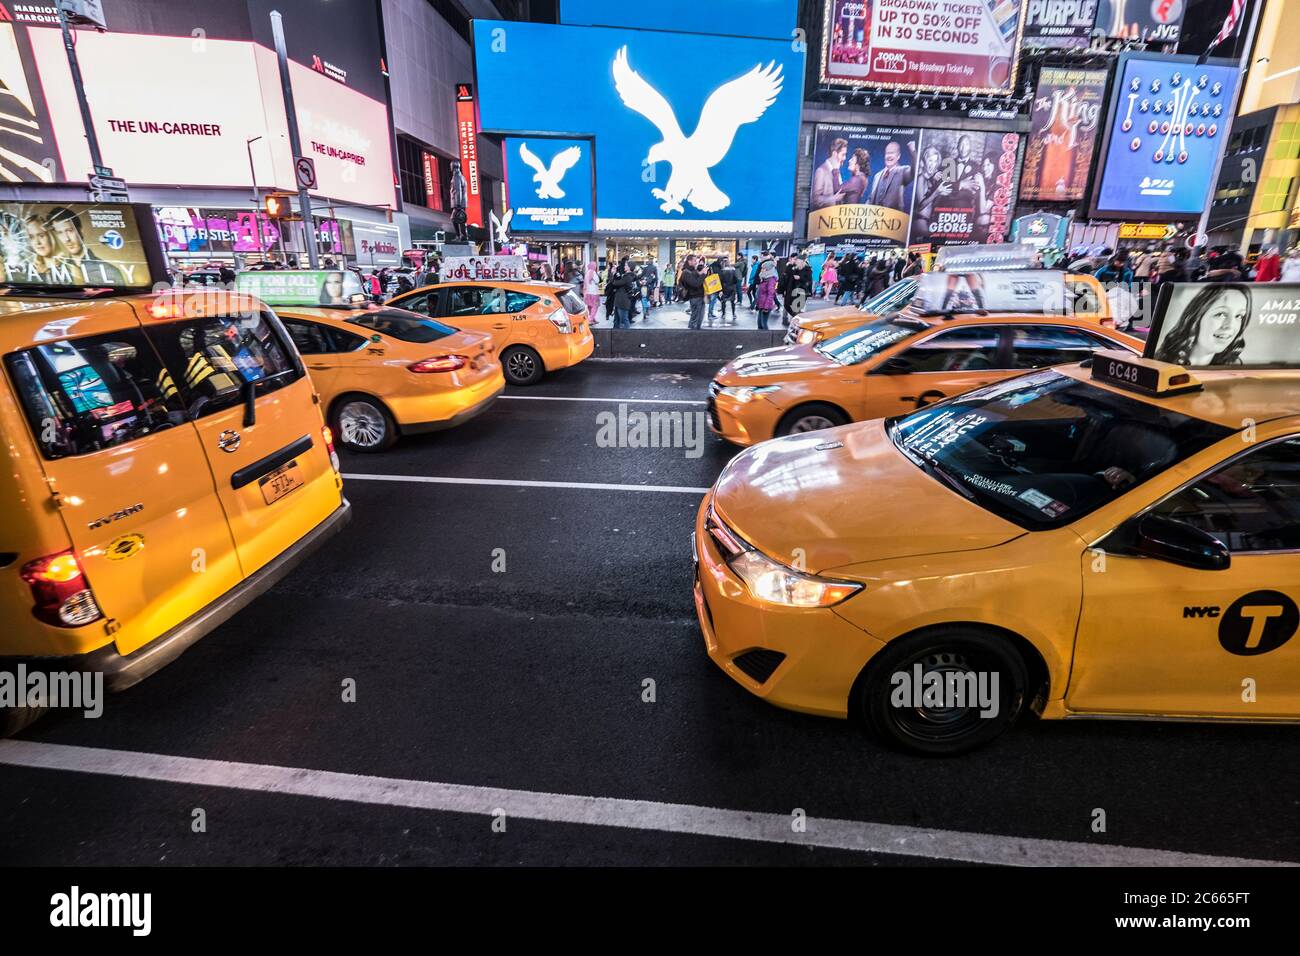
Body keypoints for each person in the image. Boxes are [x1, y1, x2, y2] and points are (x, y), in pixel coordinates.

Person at [1154, 284, 1251, 366]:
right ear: (1196, 317)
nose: (1230, 325)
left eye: (1239, 316)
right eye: (1220, 314)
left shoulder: (1235, 368)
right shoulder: (1160, 363)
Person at [47, 206, 125, 285]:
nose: (66, 239)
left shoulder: (110, 272)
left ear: (81, 231)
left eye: (69, 231)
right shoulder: (56, 272)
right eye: (60, 233)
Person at [867, 140, 916, 211]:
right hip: (875, 218)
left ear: (898, 156)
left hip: (893, 218)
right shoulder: (877, 176)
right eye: (887, 153)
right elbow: (871, 198)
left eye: (892, 153)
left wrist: (913, 151)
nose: (889, 156)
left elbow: (914, 171)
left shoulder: (902, 171)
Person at [811, 137, 847, 210]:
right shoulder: (821, 171)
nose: (845, 158)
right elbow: (815, 200)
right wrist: (834, 198)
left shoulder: (837, 171)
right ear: (834, 154)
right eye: (843, 155)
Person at [778, 253, 812, 327]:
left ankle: (797, 325)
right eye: (796, 260)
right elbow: (786, 277)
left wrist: (800, 278)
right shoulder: (793, 268)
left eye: (798, 260)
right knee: (787, 305)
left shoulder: (807, 269)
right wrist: (789, 265)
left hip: (801, 292)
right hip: (791, 291)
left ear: (802, 261)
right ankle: (796, 321)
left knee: (797, 309)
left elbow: (809, 281)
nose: (796, 262)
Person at [607, 257, 638, 329]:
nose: (624, 266)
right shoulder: (627, 276)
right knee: (616, 320)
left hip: (622, 301)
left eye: (626, 265)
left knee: (624, 319)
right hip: (620, 301)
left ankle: (628, 336)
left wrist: (612, 274)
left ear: (630, 267)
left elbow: (615, 283)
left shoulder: (628, 277)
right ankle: (616, 335)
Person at [678, 253, 706, 329]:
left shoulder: (692, 271)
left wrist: (700, 273)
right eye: (694, 260)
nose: (696, 262)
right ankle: (692, 335)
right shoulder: (686, 272)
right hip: (695, 297)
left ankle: (696, 334)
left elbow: (695, 279)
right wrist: (703, 274)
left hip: (699, 296)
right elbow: (695, 284)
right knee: (695, 318)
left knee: (699, 317)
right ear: (689, 261)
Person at [755, 254, 778, 330]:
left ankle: (767, 339)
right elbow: (761, 294)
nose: (762, 270)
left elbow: (770, 294)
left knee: (763, 324)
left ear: (768, 269)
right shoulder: (764, 278)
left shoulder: (771, 279)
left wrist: (766, 307)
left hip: (766, 305)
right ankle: (760, 339)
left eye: (763, 269)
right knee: (759, 324)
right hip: (761, 304)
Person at [718, 256, 739, 324]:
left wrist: (720, 289)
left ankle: (723, 314)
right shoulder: (733, 270)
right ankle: (733, 314)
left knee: (723, 301)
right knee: (732, 302)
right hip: (732, 287)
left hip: (724, 288)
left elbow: (720, 281)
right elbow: (736, 279)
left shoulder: (722, 271)